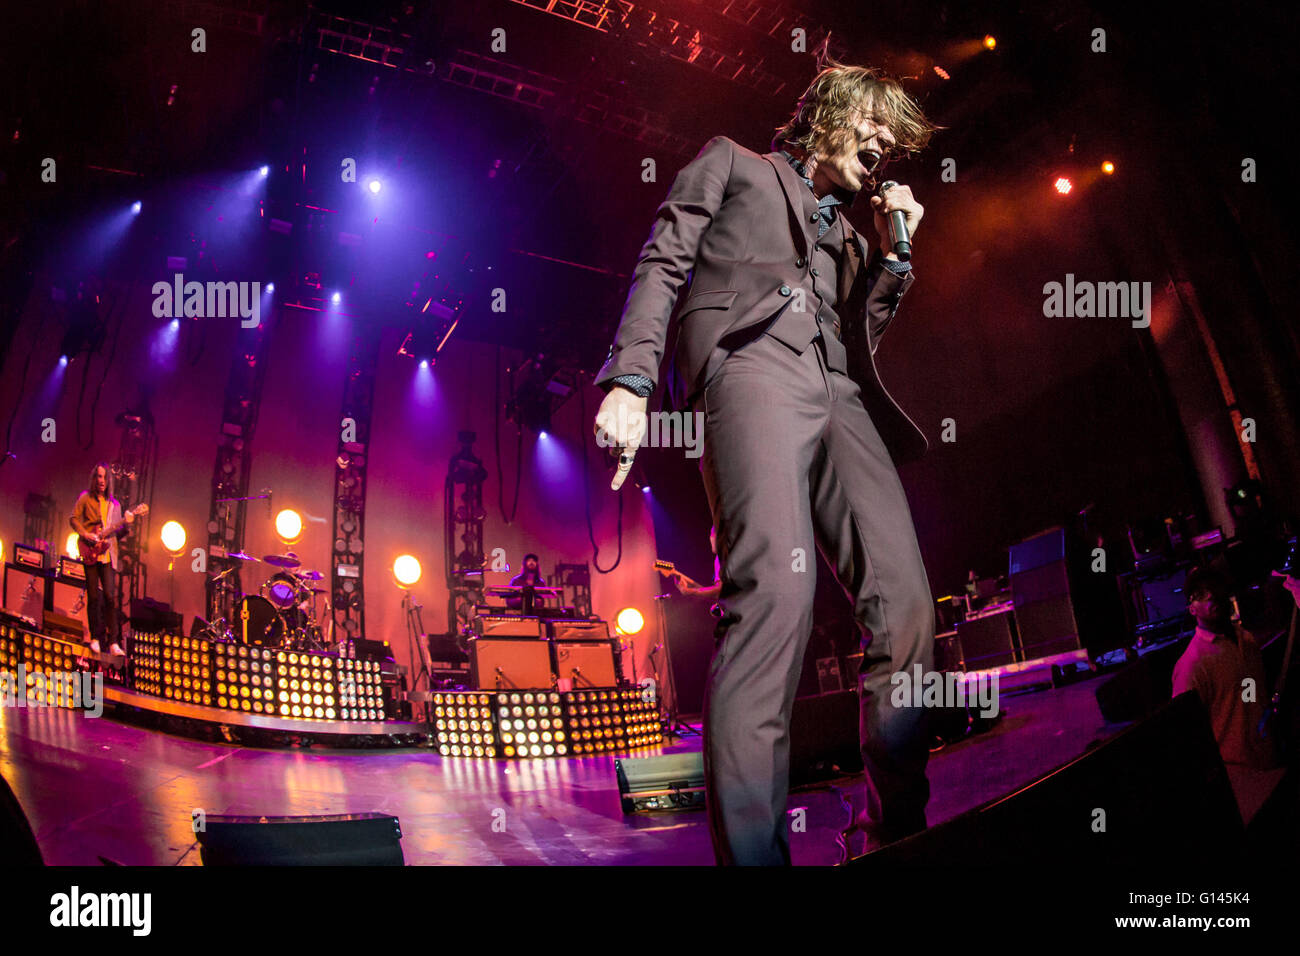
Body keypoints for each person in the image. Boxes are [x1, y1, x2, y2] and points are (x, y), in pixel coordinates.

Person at [593, 58, 938, 864]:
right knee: (777, 595)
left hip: (841, 395)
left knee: (910, 608)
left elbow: (862, 335)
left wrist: (896, 253)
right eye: (875, 123)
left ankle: (899, 831)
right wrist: (631, 380)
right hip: (753, 374)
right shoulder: (732, 163)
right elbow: (663, 260)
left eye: (897, 138)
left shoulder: (855, 236)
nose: (885, 144)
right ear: (828, 112)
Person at [1172, 565, 1282, 824]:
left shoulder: (1247, 640)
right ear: (1192, 608)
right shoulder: (1192, 666)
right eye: (1200, 594)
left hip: (1271, 763)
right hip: (1238, 782)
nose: (1211, 595)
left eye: (1214, 587)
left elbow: (1251, 696)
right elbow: (1187, 739)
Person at [68, 462, 134, 656]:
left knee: (110, 597)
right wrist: (85, 535)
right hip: (90, 552)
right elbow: (73, 518)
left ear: (109, 481)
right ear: (94, 479)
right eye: (98, 477)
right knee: (94, 597)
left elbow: (118, 534)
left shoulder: (115, 505)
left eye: (104, 477)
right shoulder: (85, 498)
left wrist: (126, 524)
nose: (101, 481)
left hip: (108, 555)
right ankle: (96, 638)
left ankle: (113, 642)